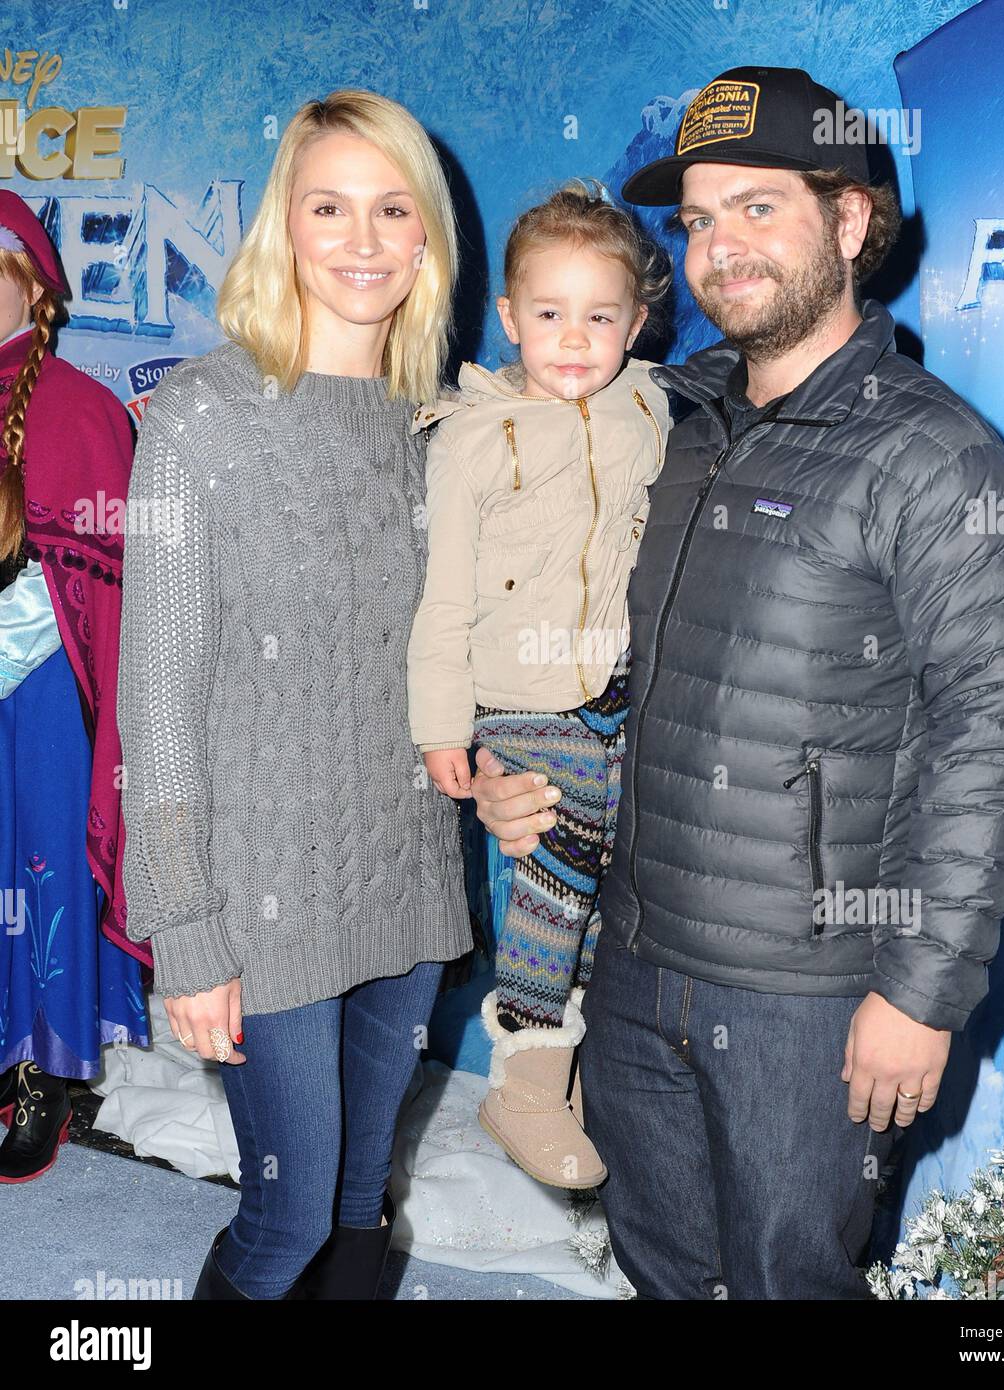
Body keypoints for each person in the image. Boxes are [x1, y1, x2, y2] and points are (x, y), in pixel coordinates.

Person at [469, 65, 1004, 1299]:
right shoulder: (663, 427)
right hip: (633, 960)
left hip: (813, 993)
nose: (717, 248)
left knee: (792, 1281)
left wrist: (920, 992)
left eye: (757, 208)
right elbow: (568, 639)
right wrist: (514, 768)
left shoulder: (940, 458)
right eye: (694, 220)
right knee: (665, 1270)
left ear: (850, 222)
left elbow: (996, 734)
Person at [116, 90, 473, 1300]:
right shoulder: (201, 417)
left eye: (391, 208)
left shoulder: (443, 426)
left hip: (409, 875)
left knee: (362, 1194)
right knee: (288, 1217)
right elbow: (154, 700)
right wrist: (187, 928)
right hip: (255, 902)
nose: (363, 239)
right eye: (330, 206)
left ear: (427, 235)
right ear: (285, 224)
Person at [406, 178, 671, 1189]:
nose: (573, 338)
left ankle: (564, 1069)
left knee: (601, 875)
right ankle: (523, 1065)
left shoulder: (648, 404)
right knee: (567, 836)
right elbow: (441, 601)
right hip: (513, 694)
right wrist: (443, 736)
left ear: (636, 323)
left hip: (615, 680)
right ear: (510, 316)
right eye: (548, 314)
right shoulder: (471, 435)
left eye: (599, 317)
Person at [0, 191, 150, 1185]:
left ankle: (41, 1065)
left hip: (45, 698)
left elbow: (114, 589)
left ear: (34, 285)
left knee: (39, 867)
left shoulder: (83, 409)